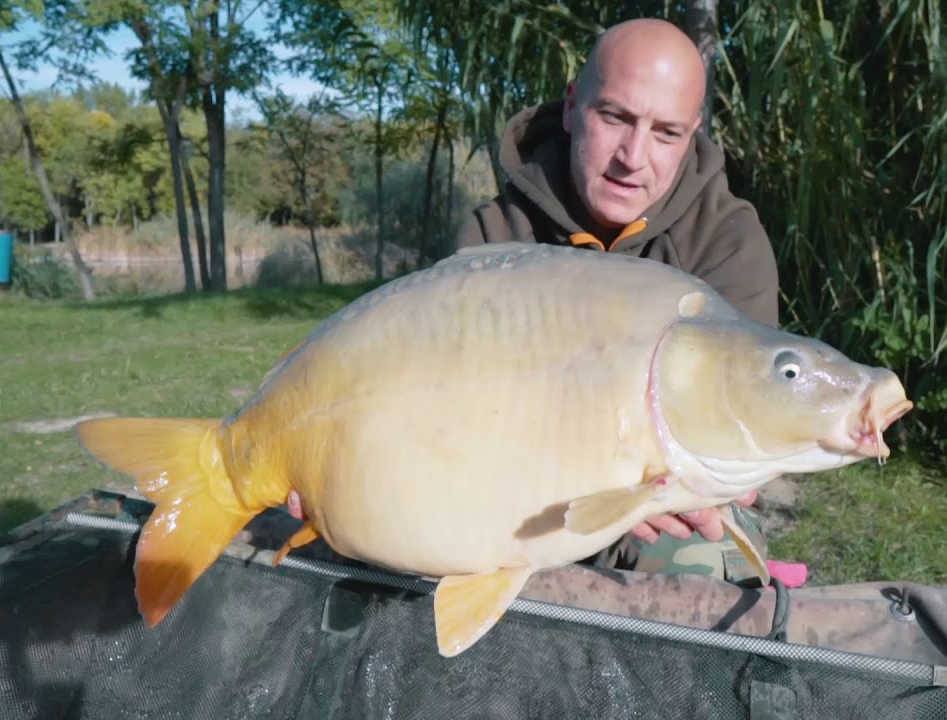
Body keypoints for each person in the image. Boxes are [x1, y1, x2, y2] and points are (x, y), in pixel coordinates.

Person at [286, 17, 780, 583]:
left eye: (665, 133)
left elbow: (745, 442)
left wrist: (652, 493)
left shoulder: (727, 241)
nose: (633, 156)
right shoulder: (496, 233)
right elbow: (445, 421)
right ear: (572, 107)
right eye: (614, 117)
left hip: (661, 506)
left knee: (709, 568)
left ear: (692, 134)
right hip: (508, 490)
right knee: (390, 537)